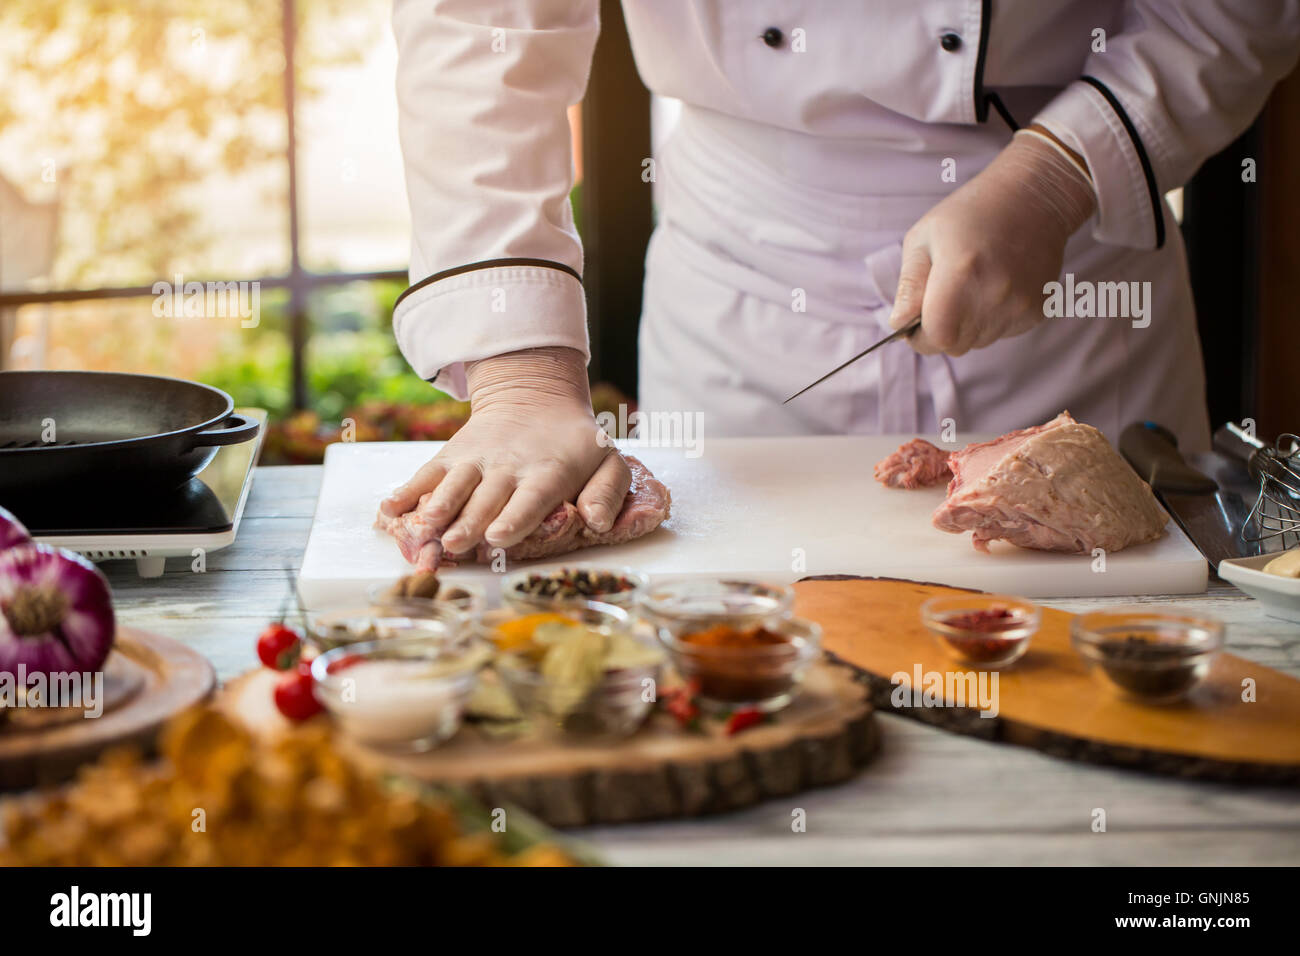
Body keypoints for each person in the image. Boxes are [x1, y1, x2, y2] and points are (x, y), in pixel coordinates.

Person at [381, 0, 1300, 554]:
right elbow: (477, 22)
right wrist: (521, 378)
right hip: (743, 269)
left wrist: (1064, 172)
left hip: (1071, 258)